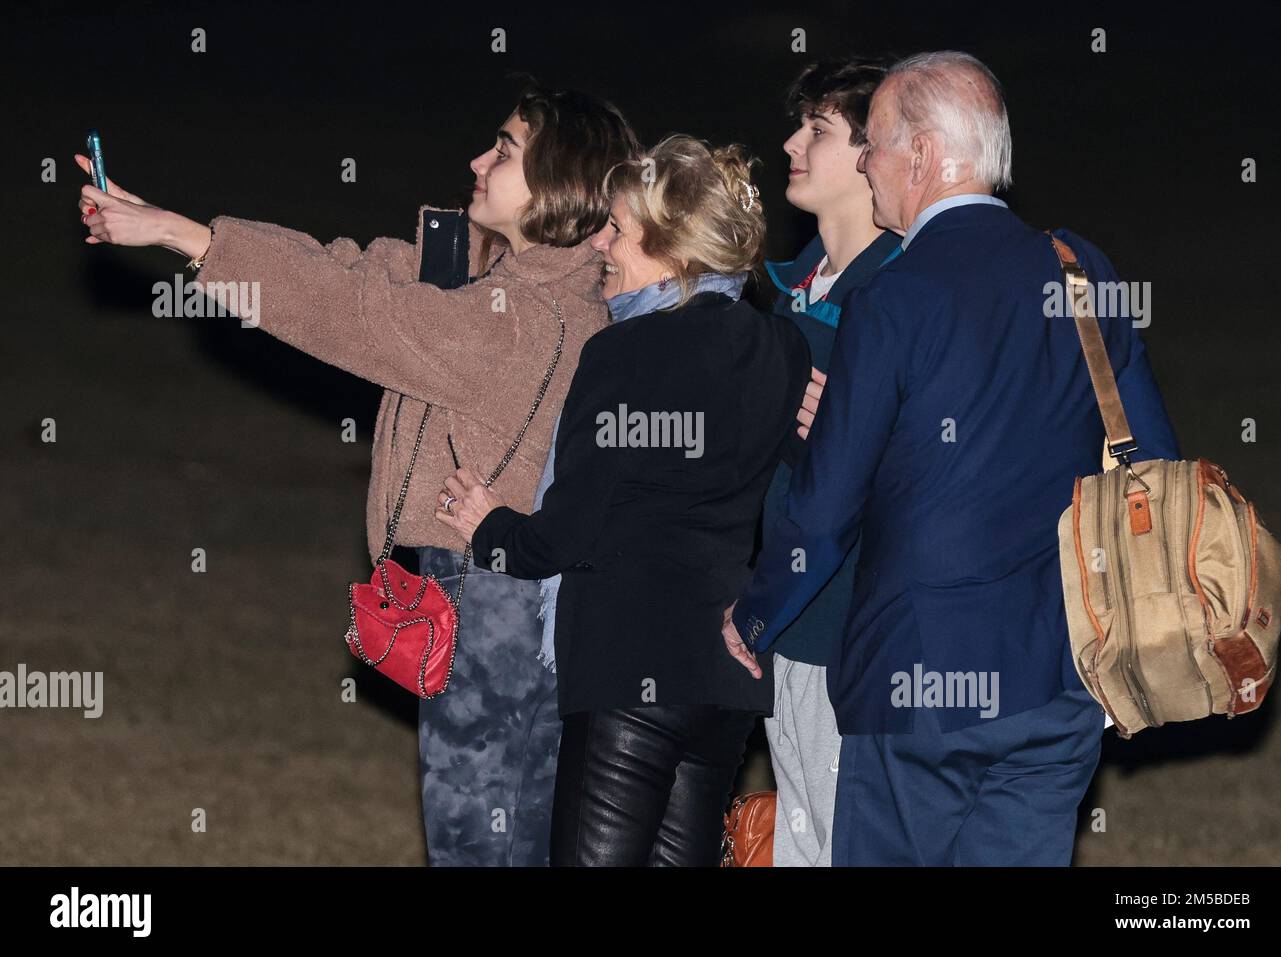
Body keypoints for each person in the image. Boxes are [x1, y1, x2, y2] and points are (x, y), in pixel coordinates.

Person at [76, 85, 640, 866]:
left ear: (560, 186)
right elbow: (349, 270)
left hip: (497, 612)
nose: (477, 160)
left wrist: (181, 236)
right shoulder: (507, 288)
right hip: (492, 593)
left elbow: (354, 314)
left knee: (480, 834)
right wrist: (181, 230)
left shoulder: (522, 322)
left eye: (505, 151)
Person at [722, 51, 1180, 866]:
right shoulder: (1080, 270)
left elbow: (825, 510)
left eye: (877, 147)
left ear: (925, 156)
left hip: (915, 690)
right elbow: (1155, 465)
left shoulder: (892, 299)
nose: (866, 162)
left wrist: (756, 613)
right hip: (1055, 685)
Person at [434, 134, 811, 866]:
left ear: (673, 248)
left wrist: (487, 526)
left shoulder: (624, 352)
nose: (599, 244)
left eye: (616, 229)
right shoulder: (781, 347)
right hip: (724, 682)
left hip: (628, 673)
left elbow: (564, 534)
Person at [758, 55, 901, 867]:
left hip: (856, 629)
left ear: (876, 152)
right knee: (802, 837)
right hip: (786, 613)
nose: (791, 142)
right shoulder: (795, 290)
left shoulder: (902, 298)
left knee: (849, 840)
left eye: (818, 129)